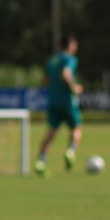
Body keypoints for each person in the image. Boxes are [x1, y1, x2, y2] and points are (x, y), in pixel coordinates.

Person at [35, 35, 83, 176]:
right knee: (76, 128)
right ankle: (70, 151)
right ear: (70, 45)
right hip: (67, 101)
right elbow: (65, 74)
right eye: (74, 45)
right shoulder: (69, 59)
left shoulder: (52, 60)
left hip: (52, 101)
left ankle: (41, 161)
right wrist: (73, 87)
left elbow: (43, 81)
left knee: (51, 132)